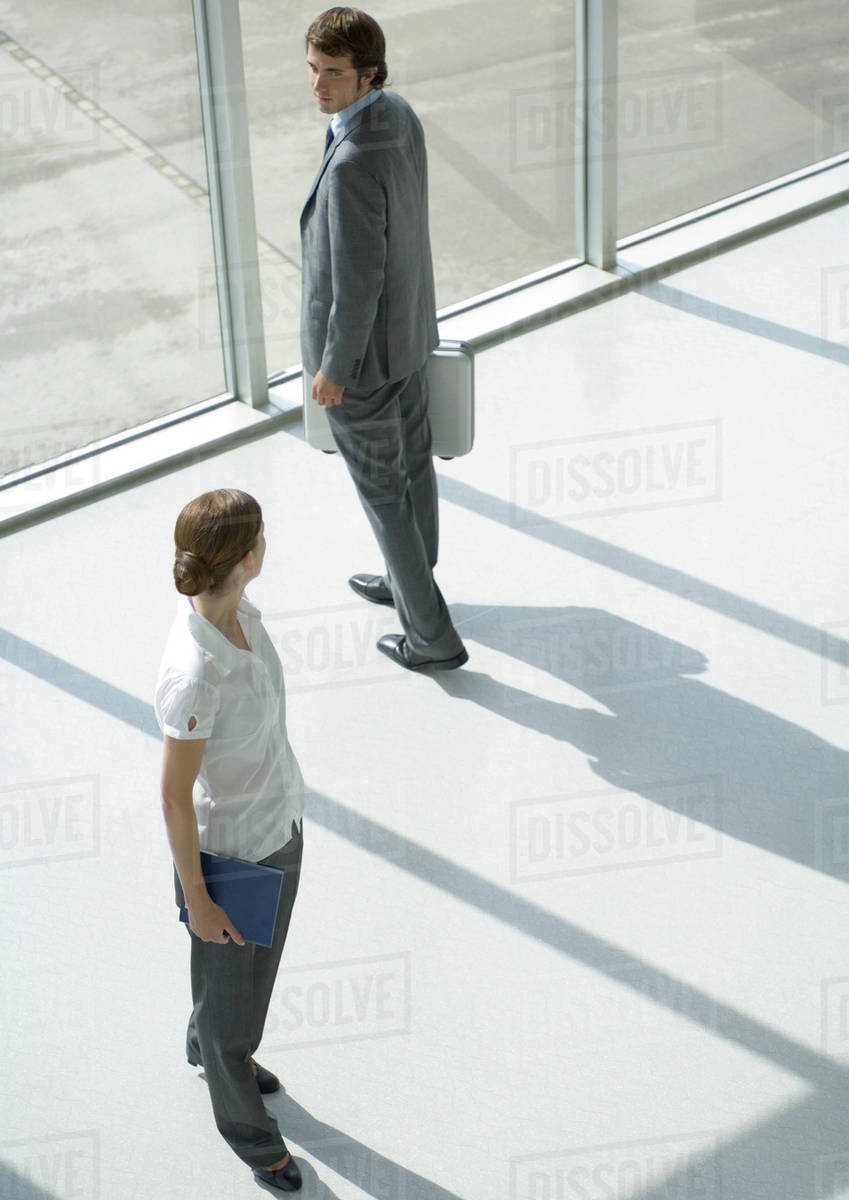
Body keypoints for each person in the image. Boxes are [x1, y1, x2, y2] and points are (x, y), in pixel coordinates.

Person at [300, 6, 468, 673]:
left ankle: (429, 637)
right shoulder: (393, 114)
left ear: (368, 73)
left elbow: (357, 278)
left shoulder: (350, 165)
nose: (317, 85)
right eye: (312, 70)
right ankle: (411, 577)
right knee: (414, 461)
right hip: (407, 335)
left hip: (363, 359)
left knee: (382, 491)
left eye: (332, 73)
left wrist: (334, 367)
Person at [154, 489, 304, 1194]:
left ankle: (213, 1047)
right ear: (248, 556)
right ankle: (250, 1133)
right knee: (234, 1001)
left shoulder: (242, 611)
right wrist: (200, 898)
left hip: (280, 820)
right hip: (240, 851)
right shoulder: (195, 672)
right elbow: (174, 795)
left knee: (241, 986)